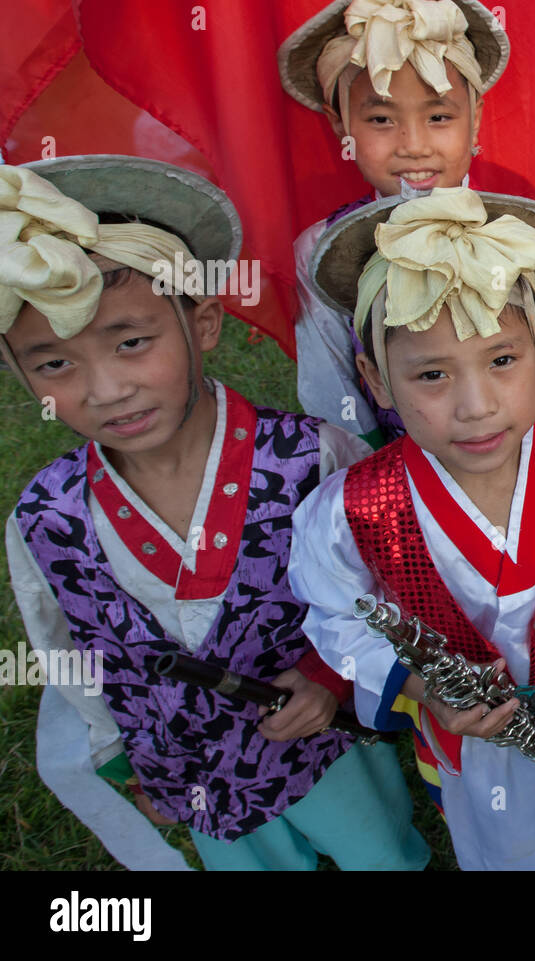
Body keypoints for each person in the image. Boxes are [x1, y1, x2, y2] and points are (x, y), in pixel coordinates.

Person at [3, 156, 427, 871]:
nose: (105, 388)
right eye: (54, 364)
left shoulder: (314, 459)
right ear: (18, 373)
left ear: (202, 322)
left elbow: (393, 587)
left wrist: (331, 676)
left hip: (326, 748)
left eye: (131, 342)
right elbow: (64, 649)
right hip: (189, 776)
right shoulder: (45, 517)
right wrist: (115, 754)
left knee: (378, 854)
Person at [287, 186, 535, 870]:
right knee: (504, 850)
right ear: (376, 380)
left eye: (502, 360)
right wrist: (419, 689)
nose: (475, 406)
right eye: (432, 374)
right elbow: (333, 616)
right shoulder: (354, 509)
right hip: (473, 738)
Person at [278, 0, 535, 446]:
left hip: (528, 453)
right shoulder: (321, 249)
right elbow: (328, 377)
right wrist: (378, 469)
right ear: (340, 121)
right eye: (380, 119)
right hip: (405, 471)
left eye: (439, 117)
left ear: (475, 115)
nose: (414, 146)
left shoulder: (522, 229)